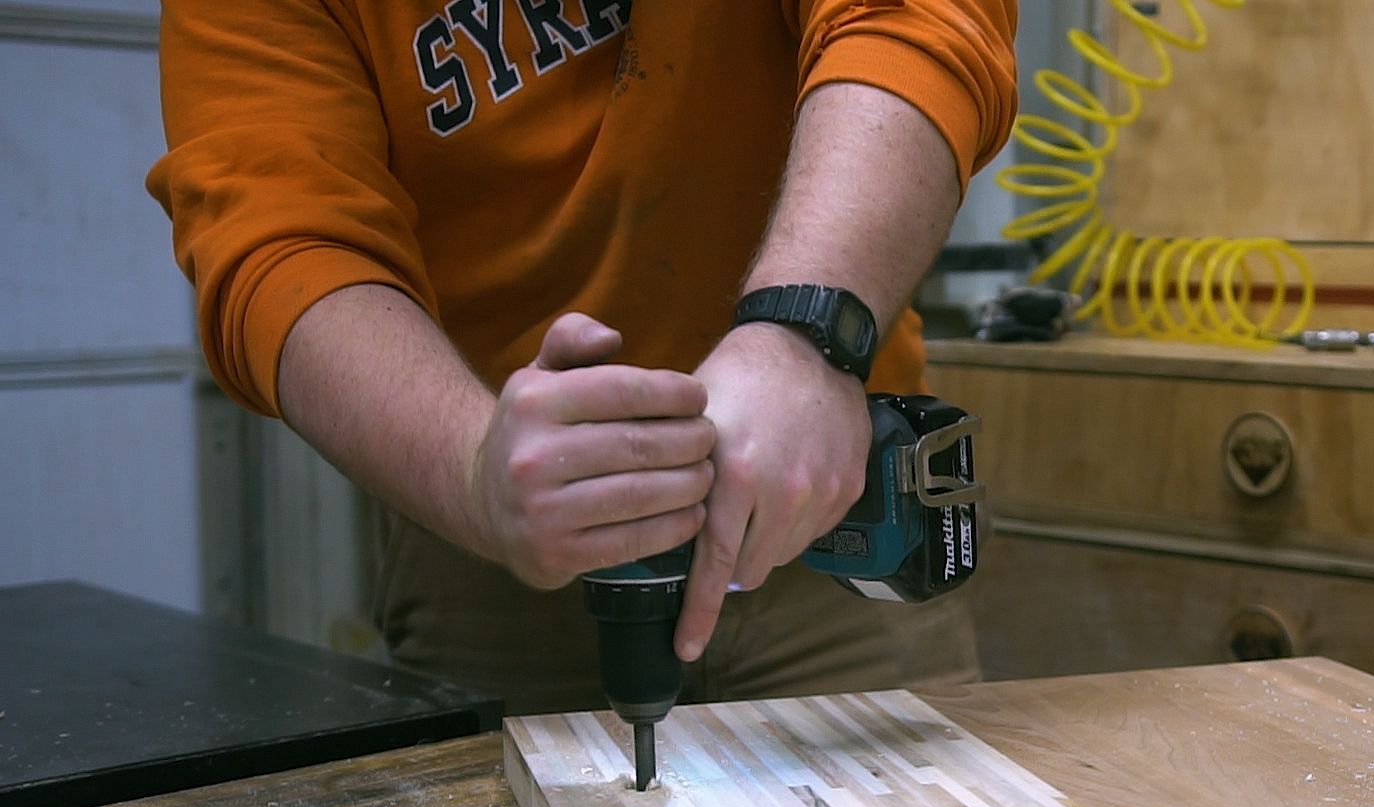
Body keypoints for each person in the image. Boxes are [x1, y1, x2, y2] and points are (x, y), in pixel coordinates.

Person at [147, 1, 1019, 714]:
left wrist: (805, 332)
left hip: (834, 512)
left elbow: (912, 21)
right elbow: (284, 239)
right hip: (501, 546)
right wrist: (472, 471)